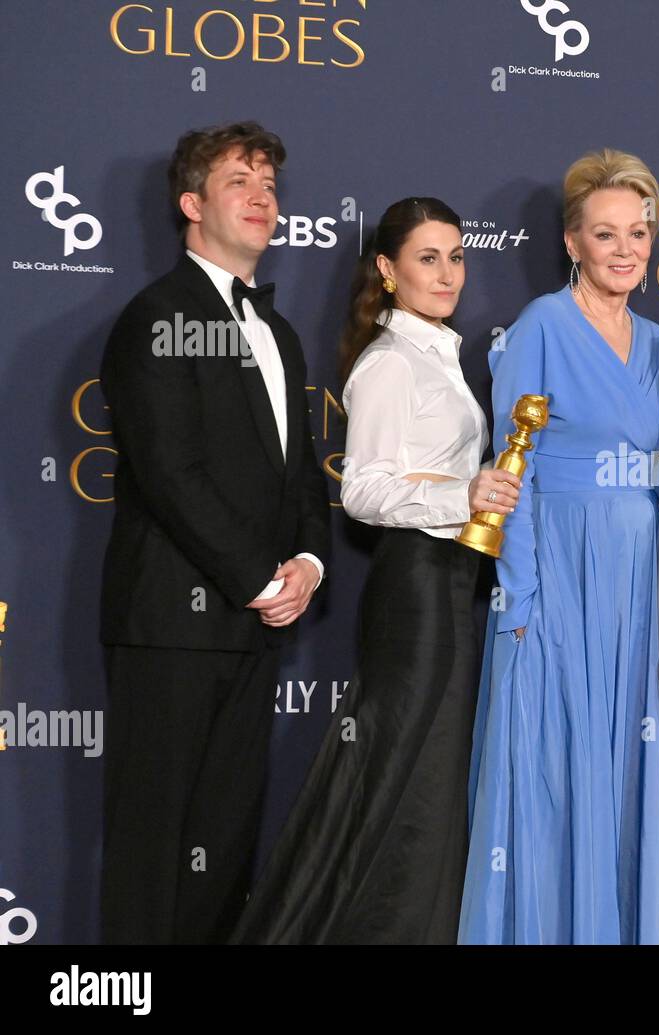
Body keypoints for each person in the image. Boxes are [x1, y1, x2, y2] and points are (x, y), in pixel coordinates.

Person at [231, 198, 519, 944]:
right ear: (387, 270)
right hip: (417, 588)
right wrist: (467, 493)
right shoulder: (389, 362)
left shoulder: (436, 352)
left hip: (451, 582)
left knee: (426, 778)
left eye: (457, 256)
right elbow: (360, 492)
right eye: (428, 258)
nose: (448, 273)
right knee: (402, 775)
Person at [98, 122, 331, 944]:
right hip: (169, 623)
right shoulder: (156, 315)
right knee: (151, 845)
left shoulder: (281, 332)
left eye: (269, 183)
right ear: (192, 204)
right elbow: (170, 474)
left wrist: (307, 561)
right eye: (240, 181)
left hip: (254, 631)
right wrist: (260, 578)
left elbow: (301, 471)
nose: (262, 196)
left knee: (224, 846)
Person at [458, 149, 659, 944]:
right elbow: (515, 467)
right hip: (555, 576)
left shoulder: (656, 340)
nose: (625, 249)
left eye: (638, 233)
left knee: (621, 767)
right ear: (572, 243)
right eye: (606, 234)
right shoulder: (542, 325)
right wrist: (521, 595)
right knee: (548, 762)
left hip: (637, 579)